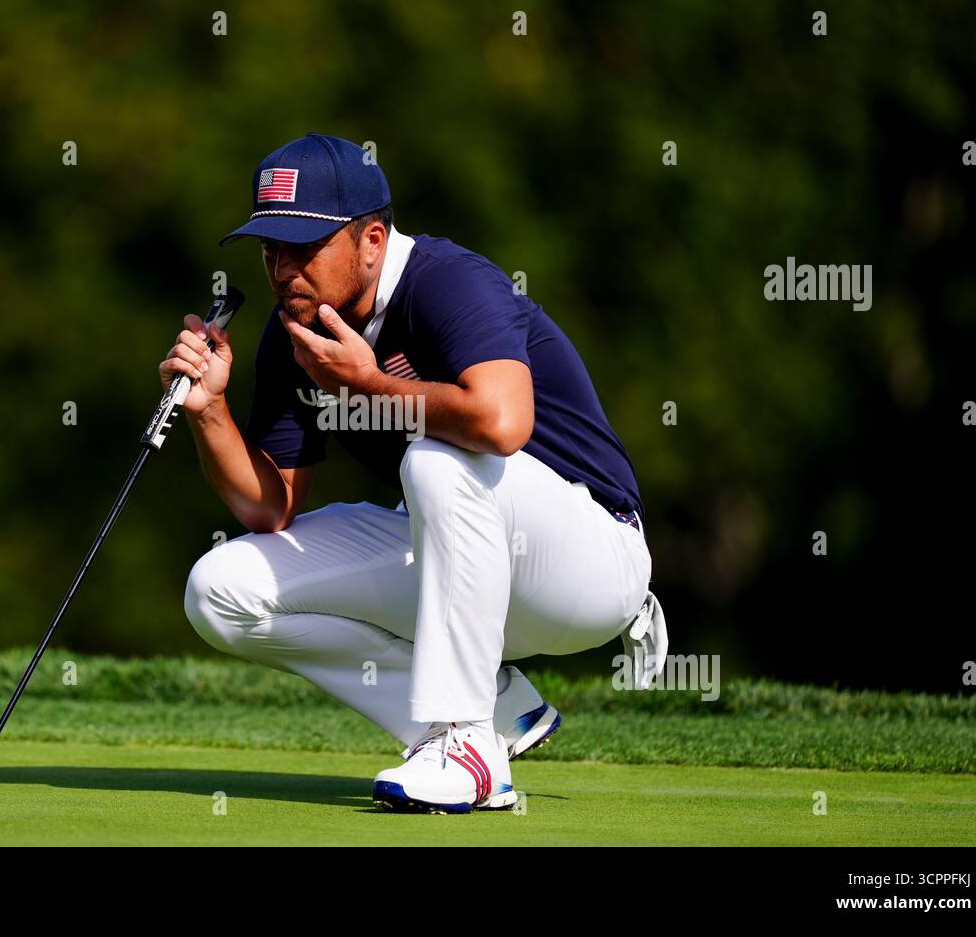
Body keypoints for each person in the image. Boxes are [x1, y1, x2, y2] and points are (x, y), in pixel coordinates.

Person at [168, 132, 667, 813]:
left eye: (303, 248)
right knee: (220, 590)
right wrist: (210, 409)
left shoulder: (446, 283)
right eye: (270, 250)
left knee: (436, 460)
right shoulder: (294, 334)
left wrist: (367, 385)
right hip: (462, 564)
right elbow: (268, 509)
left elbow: (501, 425)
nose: (284, 272)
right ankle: (497, 711)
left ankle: (468, 748)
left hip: (589, 563)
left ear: (372, 240)